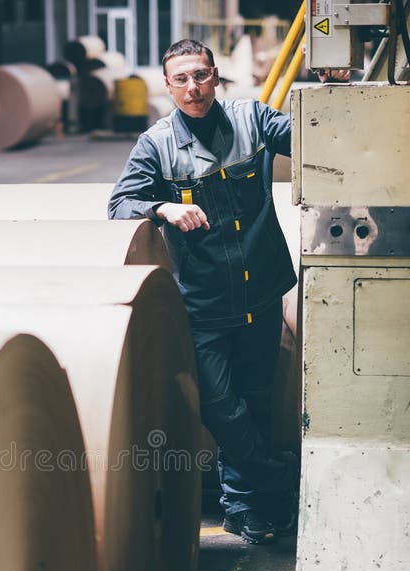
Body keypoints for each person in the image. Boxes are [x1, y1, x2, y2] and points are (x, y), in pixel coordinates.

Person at [109, 37, 300, 544]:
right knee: (220, 406)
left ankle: (247, 508)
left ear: (216, 76)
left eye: (201, 75)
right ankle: (277, 482)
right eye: (181, 79)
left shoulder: (253, 120)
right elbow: (121, 203)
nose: (193, 87)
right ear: (168, 86)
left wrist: (334, 90)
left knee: (256, 399)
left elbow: (311, 135)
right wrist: (162, 208)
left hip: (260, 290)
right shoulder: (156, 144)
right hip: (205, 300)